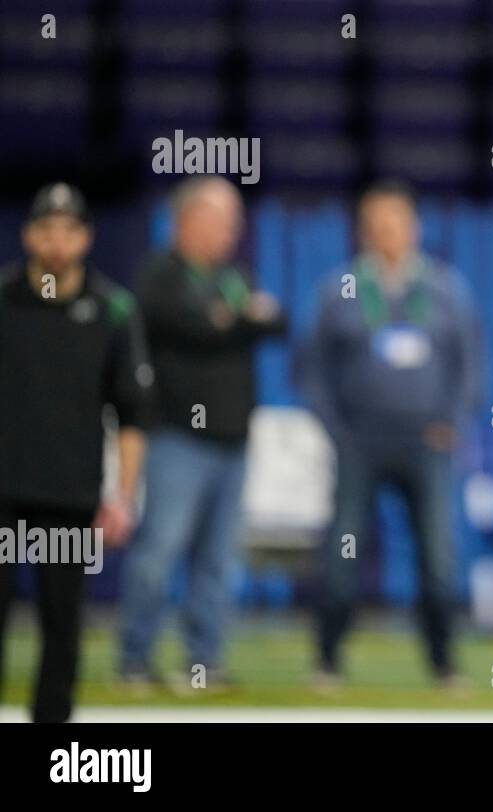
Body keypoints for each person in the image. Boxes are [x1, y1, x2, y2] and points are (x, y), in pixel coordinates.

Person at [297, 180, 483, 688]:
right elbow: (311, 370)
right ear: (362, 231)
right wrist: (336, 431)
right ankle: (328, 660)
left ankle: (443, 664)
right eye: (376, 225)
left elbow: (468, 365)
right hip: (360, 441)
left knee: (438, 557)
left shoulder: (446, 288)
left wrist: (453, 419)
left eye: (395, 223)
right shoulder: (341, 288)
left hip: (428, 442)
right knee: (343, 554)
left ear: (413, 228)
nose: (386, 234)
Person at [118, 176, 286, 689]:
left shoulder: (232, 277)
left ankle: (203, 662)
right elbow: (189, 325)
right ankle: (135, 660)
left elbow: (275, 322)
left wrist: (231, 319)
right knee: (159, 551)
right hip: (179, 439)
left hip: (233, 441)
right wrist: (238, 321)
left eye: (234, 222)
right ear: (186, 219)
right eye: (218, 219)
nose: (228, 232)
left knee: (217, 562)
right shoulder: (161, 274)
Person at [0, 183, 152, 721]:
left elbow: (132, 414)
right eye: (46, 229)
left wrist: (123, 496)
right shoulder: (4, 299)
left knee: (62, 624)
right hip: (4, 490)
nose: (57, 242)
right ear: (27, 235)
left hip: (70, 493)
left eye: (69, 230)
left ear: (86, 237)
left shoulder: (112, 310)